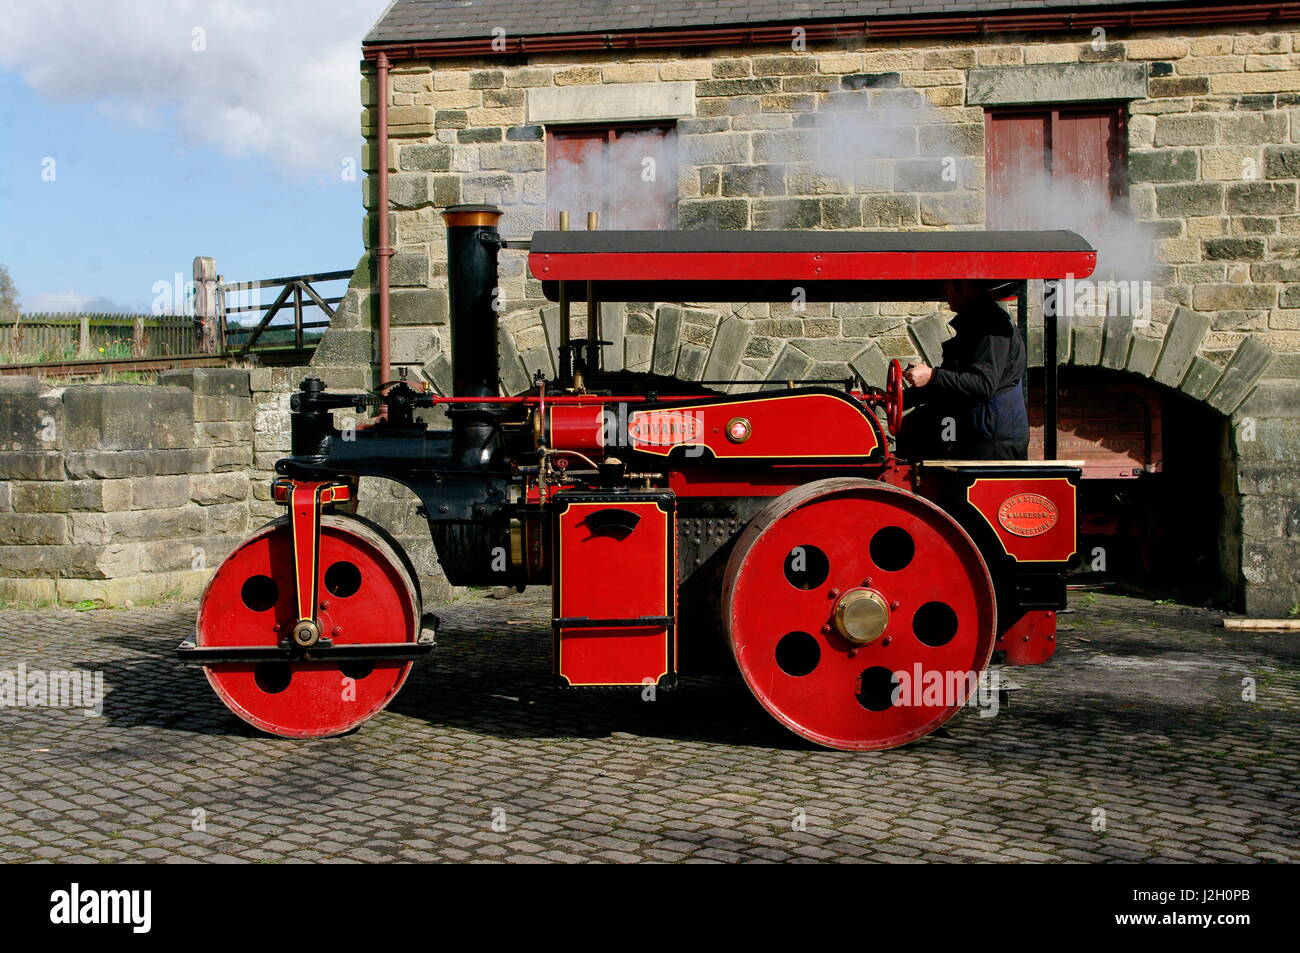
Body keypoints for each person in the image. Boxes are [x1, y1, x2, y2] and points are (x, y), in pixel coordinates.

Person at [897, 280, 1029, 460]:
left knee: (917, 429)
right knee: (913, 426)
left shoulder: (991, 325)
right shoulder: (975, 323)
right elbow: (948, 383)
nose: (945, 293)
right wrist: (897, 400)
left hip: (992, 439)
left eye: (948, 287)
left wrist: (932, 375)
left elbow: (984, 384)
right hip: (977, 429)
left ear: (965, 287)